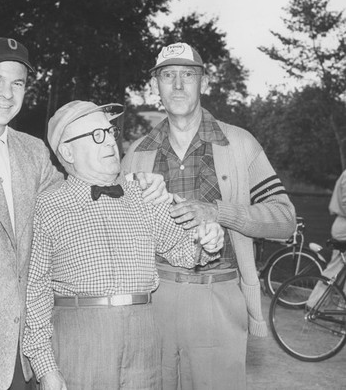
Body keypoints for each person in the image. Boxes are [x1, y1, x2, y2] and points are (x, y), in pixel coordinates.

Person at [0, 37, 172, 390]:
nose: (6, 93)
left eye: (17, 83)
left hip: (21, 359)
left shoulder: (33, 152)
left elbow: (79, 194)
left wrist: (137, 183)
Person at [121, 42, 296, 390]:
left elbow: (284, 218)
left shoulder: (240, 143)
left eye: (188, 74)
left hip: (218, 297)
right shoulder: (136, 154)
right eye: (168, 75)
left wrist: (217, 211)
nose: (179, 85)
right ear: (156, 84)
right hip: (153, 300)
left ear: (203, 81)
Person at [22, 100, 225, 390]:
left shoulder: (142, 195)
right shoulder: (48, 206)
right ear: (67, 152)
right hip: (81, 336)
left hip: (144, 334)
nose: (109, 142)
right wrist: (45, 368)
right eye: (96, 135)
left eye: (109, 132)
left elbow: (182, 249)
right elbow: (35, 292)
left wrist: (206, 242)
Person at [308, 169, 346, 306]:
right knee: (334, 269)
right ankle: (315, 304)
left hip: (342, 224)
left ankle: (323, 306)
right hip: (344, 226)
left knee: (336, 269)